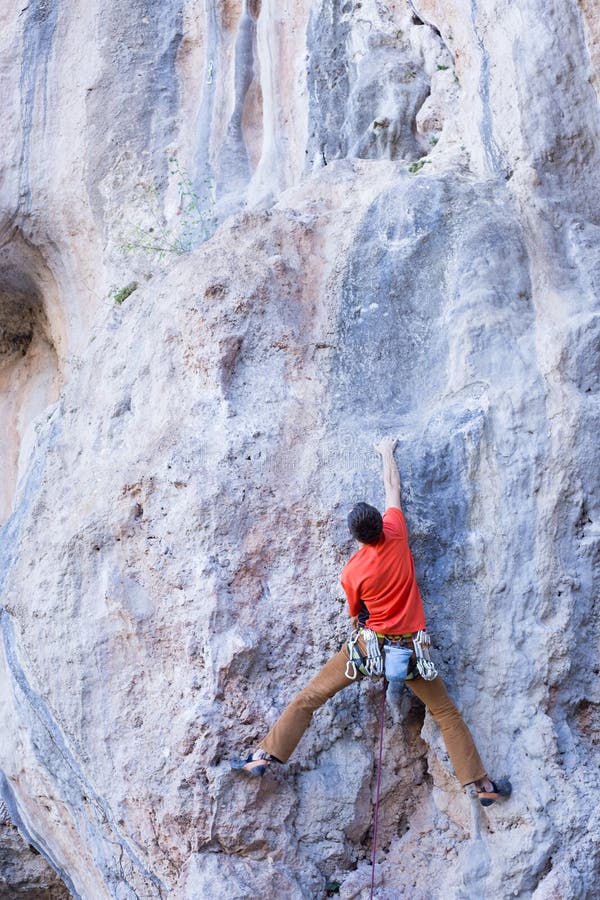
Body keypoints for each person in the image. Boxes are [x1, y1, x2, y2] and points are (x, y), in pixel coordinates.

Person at [231, 437, 511, 807]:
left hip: (367, 649)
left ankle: (262, 757)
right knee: (444, 712)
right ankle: (482, 786)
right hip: (410, 653)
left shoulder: (353, 571)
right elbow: (392, 488)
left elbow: (355, 612)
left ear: (355, 536)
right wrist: (386, 452)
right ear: (381, 523)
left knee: (309, 698)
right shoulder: (396, 533)